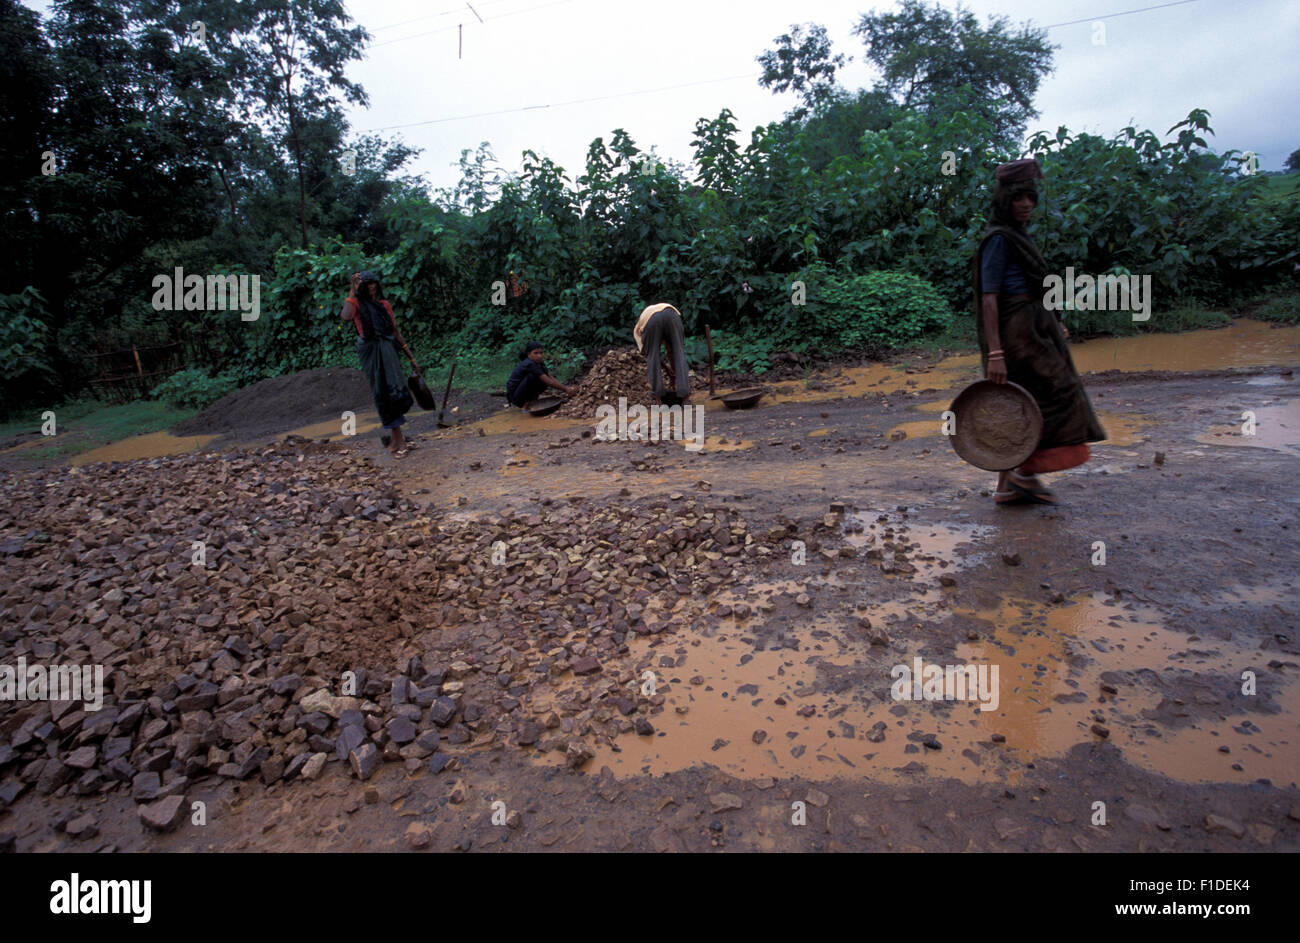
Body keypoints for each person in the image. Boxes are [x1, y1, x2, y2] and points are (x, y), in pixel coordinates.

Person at [973, 159, 1106, 506]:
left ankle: (1006, 486)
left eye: (1031, 197)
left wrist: (1052, 317)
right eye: (1019, 198)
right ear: (1005, 200)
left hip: (1035, 324)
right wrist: (996, 353)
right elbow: (989, 297)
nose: (1027, 204)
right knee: (1058, 392)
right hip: (1018, 333)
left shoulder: (1018, 236)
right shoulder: (999, 240)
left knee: (1023, 403)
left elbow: (1036, 284)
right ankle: (1024, 474)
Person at [341, 270, 418, 456]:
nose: (371, 287)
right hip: (370, 353)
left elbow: (394, 331)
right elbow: (346, 316)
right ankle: (397, 440)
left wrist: (411, 357)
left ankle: (396, 440)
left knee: (394, 390)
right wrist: (352, 290)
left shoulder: (384, 305)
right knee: (381, 392)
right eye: (367, 284)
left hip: (388, 352)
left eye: (373, 283)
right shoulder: (357, 304)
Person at [634, 303, 690, 406]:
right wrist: (669, 369)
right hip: (671, 314)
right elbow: (673, 353)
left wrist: (671, 372)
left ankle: (658, 398)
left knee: (652, 357)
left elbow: (651, 355)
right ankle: (685, 397)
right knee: (679, 352)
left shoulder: (638, 331)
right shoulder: (639, 330)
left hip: (651, 321)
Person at [506, 342, 575, 410]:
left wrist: (566, 388)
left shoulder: (539, 363)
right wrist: (566, 389)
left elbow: (549, 377)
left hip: (521, 391)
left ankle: (532, 401)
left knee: (541, 379)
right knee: (533, 377)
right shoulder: (530, 364)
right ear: (529, 354)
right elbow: (549, 382)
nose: (539, 356)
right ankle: (525, 405)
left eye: (541, 353)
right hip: (515, 396)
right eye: (536, 353)